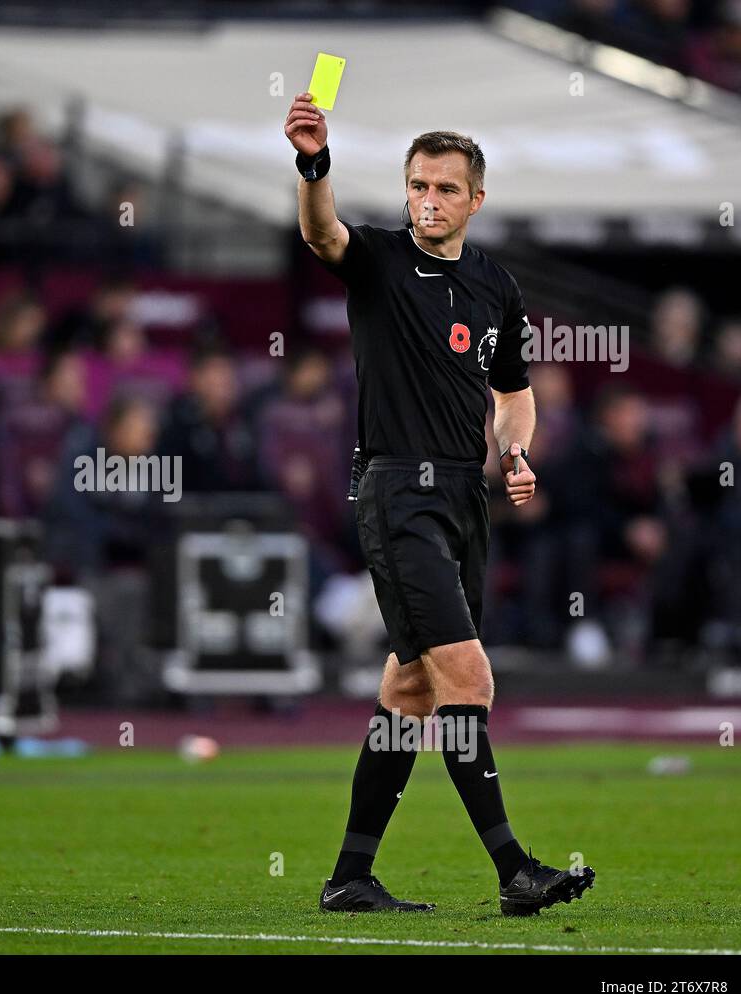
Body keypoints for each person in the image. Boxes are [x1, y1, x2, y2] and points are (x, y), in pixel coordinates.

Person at [285, 94, 595, 916]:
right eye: (418, 184)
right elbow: (321, 233)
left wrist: (516, 449)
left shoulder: (495, 285)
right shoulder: (380, 260)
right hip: (397, 492)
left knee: (412, 693)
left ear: (475, 199)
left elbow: (514, 393)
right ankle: (514, 870)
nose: (427, 199)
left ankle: (350, 875)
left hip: (464, 496)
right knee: (468, 675)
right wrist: (315, 164)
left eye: (445, 188)